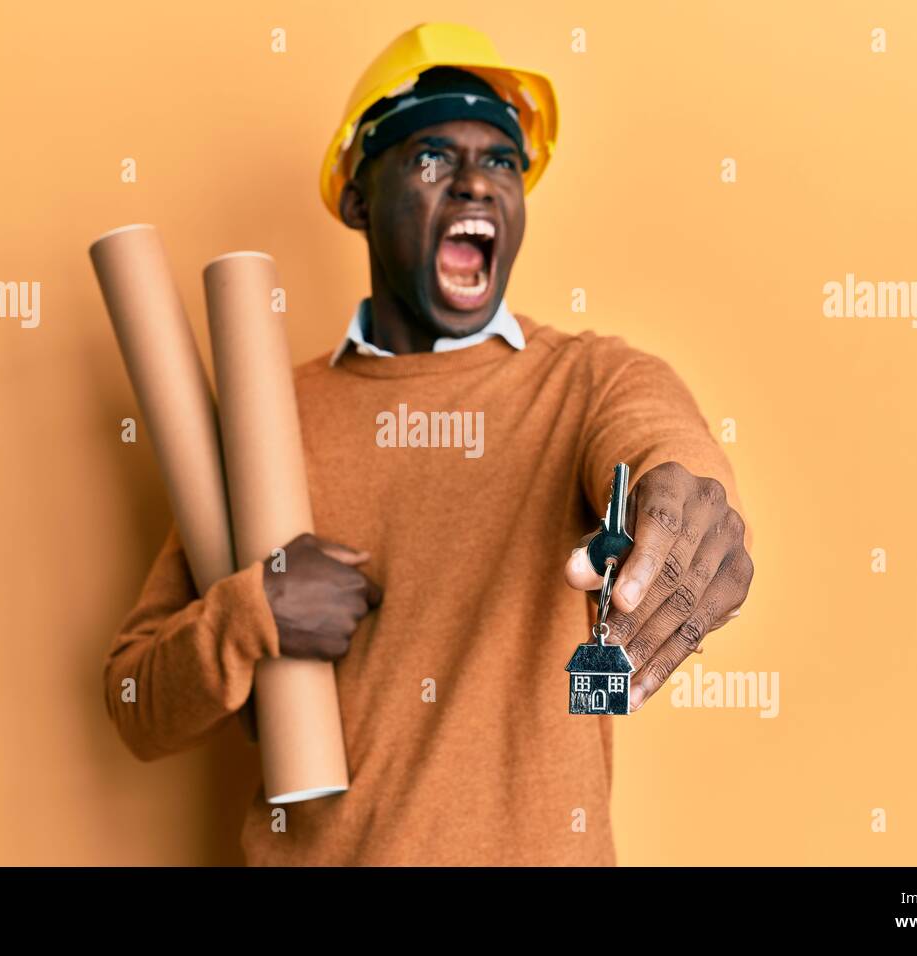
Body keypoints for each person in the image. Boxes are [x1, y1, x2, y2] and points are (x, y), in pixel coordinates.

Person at [103, 22, 754, 866]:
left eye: (504, 162)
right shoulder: (264, 418)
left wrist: (689, 498)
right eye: (433, 158)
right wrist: (252, 611)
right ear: (360, 199)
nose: (479, 184)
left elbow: (664, 444)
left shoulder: (589, 381)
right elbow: (134, 705)